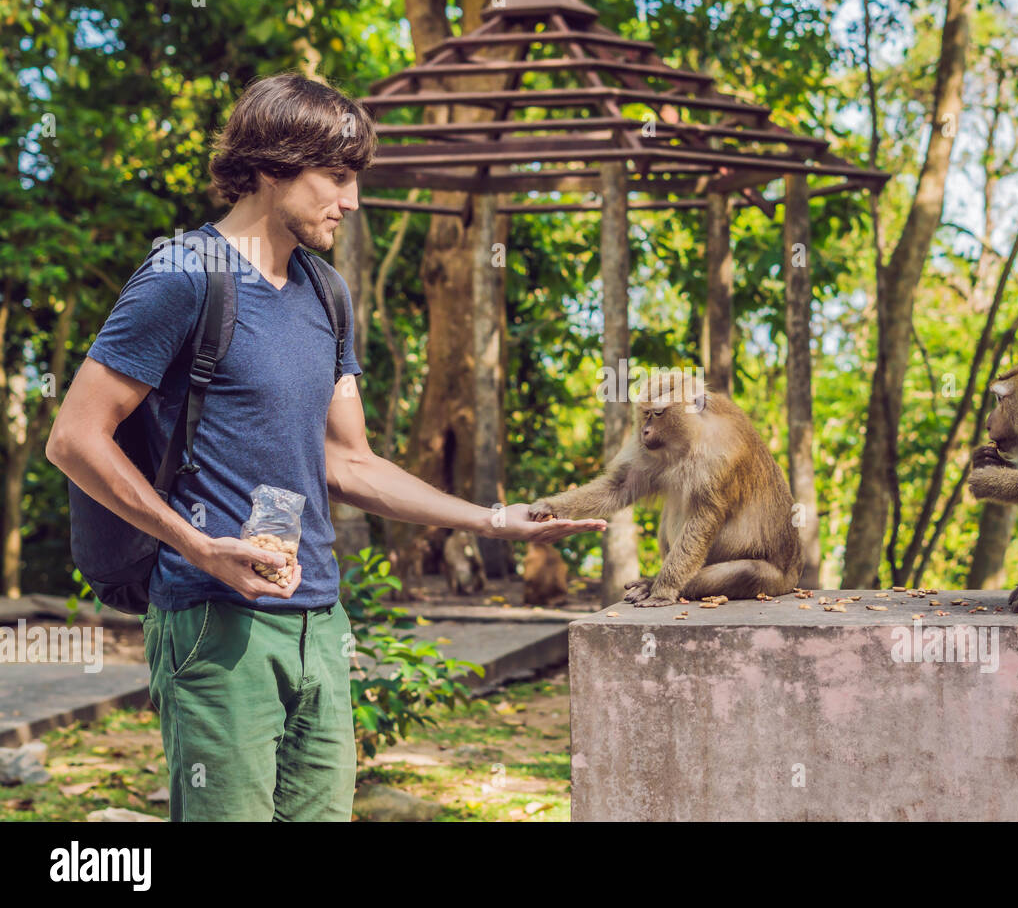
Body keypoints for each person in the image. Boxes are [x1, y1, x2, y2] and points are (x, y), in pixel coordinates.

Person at [44, 72, 605, 821]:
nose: (350, 199)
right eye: (335, 177)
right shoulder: (184, 275)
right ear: (273, 167)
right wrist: (199, 545)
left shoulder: (326, 293)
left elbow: (350, 461)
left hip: (320, 621)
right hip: (214, 619)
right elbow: (75, 436)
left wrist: (496, 520)